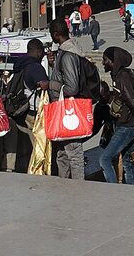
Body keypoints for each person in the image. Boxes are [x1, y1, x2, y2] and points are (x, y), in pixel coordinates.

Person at [99, 47, 134, 185]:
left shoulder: (122, 77)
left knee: (105, 159)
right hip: (128, 124)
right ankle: (131, 190)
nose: (103, 63)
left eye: (105, 60)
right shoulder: (120, 75)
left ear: (113, 61)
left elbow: (132, 102)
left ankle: (114, 191)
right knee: (127, 160)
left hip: (127, 126)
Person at [3, 38, 49, 172]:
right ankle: (36, 172)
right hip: (34, 113)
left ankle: (23, 172)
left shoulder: (19, 65)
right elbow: (45, 88)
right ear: (38, 51)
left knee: (25, 146)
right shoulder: (35, 68)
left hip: (20, 111)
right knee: (39, 146)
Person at [47, 18, 85, 179]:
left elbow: (72, 87)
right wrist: (53, 65)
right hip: (61, 109)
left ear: (56, 34)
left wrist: (49, 84)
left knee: (74, 152)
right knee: (62, 152)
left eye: (51, 34)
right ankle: (63, 183)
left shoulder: (69, 55)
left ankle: (78, 187)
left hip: (68, 110)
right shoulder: (64, 52)